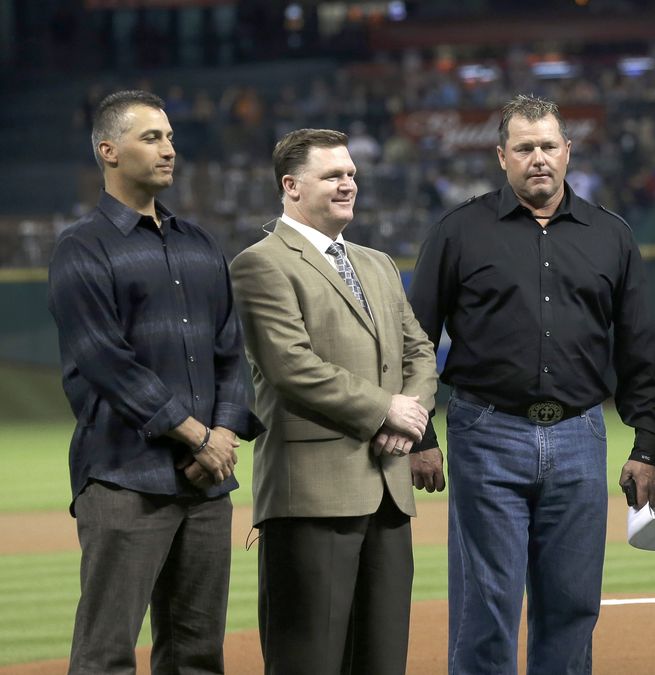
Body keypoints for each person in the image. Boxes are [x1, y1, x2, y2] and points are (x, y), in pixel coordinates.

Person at [408, 94, 655, 674]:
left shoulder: (611, 235)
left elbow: (639, 349)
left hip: (581, 433)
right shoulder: (458, 232)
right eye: (525, 147)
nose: (538, 158)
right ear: (501, 155)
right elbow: (415, 341)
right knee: (486, 608)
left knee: (572, 607)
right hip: (487, 432)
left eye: (549, 146)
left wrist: (649, 444)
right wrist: (420, 434)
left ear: (568, 151)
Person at [47, 89, 263, 673]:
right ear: (108, 151)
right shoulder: (81, 247)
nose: (169, 149)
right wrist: (198, 437)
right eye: (151, 137)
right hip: (124, 477)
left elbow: (230, 353)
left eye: (169, 137)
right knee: (106, 654)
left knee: (197, 656)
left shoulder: (200, 243)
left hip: (205, 484)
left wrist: (222, 435)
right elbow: (107, 362)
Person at [229, 129, 441, 674]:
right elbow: (291, 366)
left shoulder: (378, 263)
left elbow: (419, 351)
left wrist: (409, 415)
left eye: (351, 174)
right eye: (332, 175)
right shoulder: (261, 263)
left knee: (382, 659)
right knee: (310, 661)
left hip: (388, 491)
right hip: (311, 495)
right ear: (291, 186)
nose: (348, 184)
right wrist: (384, 410)